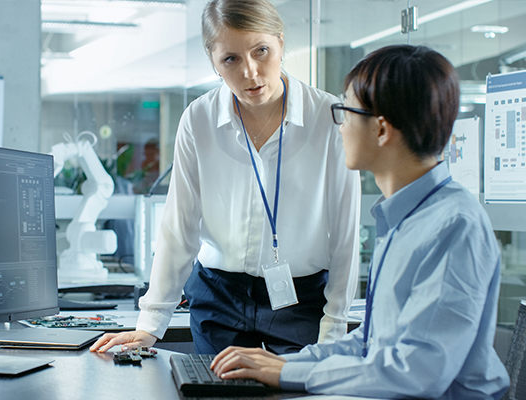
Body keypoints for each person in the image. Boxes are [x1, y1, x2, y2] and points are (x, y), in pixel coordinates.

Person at [211, 44, 511, 399]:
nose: (339, 126)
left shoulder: (453, 226)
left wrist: (293, 372)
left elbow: (416, 372)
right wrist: (283, 363)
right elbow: (371, 342)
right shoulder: (403, 218)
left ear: (381, 130)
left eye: (346, 112)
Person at [90, 0, 360, 355]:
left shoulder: (328, 118)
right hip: (219, 297)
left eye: (261, 51)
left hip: (301, 301)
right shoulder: (198, 119)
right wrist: (150, 324)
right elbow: (178, 227)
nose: (250, 71)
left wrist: (334, 326)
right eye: (230, 59)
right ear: (213, 61)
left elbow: (346, 233)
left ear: (281, 43)